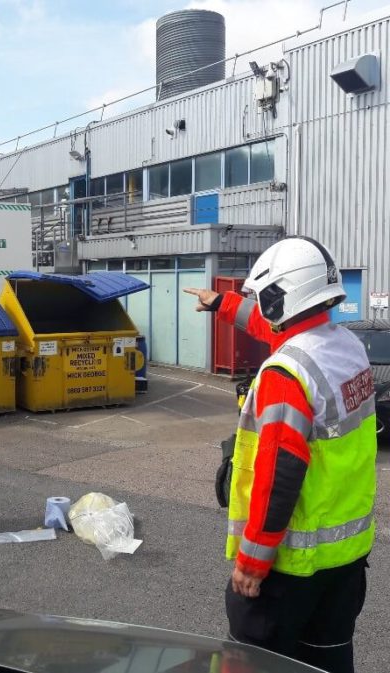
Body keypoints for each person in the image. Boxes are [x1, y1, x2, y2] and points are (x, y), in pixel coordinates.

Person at [185, 236, 376, 673]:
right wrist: (223, 304)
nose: (263, 307)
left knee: (252, 663)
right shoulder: (346, 347)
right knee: (327, 661)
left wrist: (253, 562)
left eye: (265, 297)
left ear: (281, 296)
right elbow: (282, 328)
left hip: (290, 568)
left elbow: (280, 474)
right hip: (344, 562)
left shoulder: (286, 374)